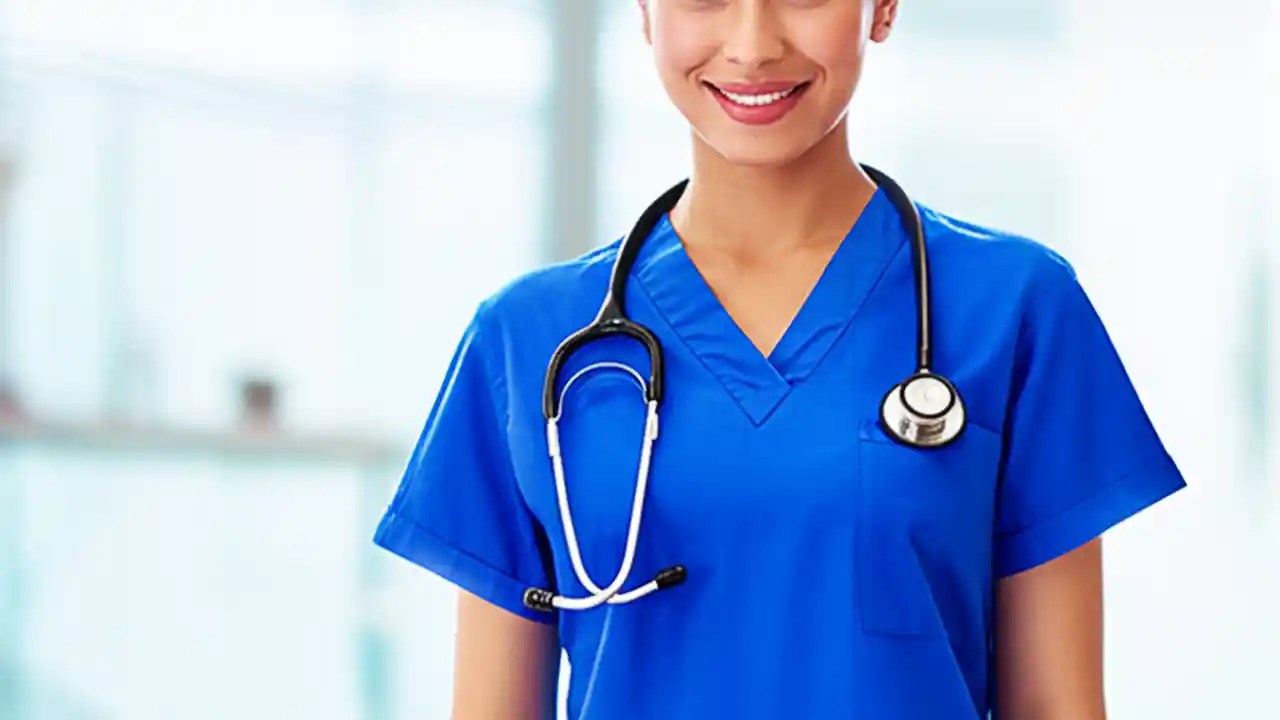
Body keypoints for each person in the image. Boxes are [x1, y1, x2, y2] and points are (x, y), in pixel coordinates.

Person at [373, 1, 1186, 717]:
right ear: (645, 11)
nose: (753, 43)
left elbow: (1057, 705)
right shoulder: (527, 339)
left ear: (884, 6)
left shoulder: (1015, 310)